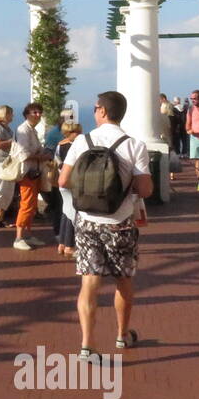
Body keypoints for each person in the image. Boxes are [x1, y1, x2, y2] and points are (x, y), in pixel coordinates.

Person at [58, 91, 153, 361]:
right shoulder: (134, 145)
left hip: (87, 222)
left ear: (102, 111)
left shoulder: (81, 142)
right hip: (120, 224)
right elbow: (145, 189)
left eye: (95, 107)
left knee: (89, 283)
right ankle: (122, 336)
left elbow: (63, 181)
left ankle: (87, 344)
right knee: (123, 281)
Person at [13, 102, 49, 251]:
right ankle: (19, 237)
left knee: (32, 204)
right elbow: (23, 154)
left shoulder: (31, 130)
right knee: (27, 204)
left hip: (34, 172)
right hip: (27, 172)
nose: (38, 115)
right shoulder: (23, 130)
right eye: (34, 112)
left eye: (39, 112)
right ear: (27, 114)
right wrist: (40, 157)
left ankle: (27, 234)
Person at [55, 120, 82, 257]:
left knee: (66, 213)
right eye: (74, 131)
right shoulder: (78, 146)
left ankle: (62, 243)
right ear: (67, 133)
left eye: (78, 130)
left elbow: (58, 163)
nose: (77, 134)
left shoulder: (60, 146)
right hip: (72, 183)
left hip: (62, 182)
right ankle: (70, 246)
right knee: (73, 214)